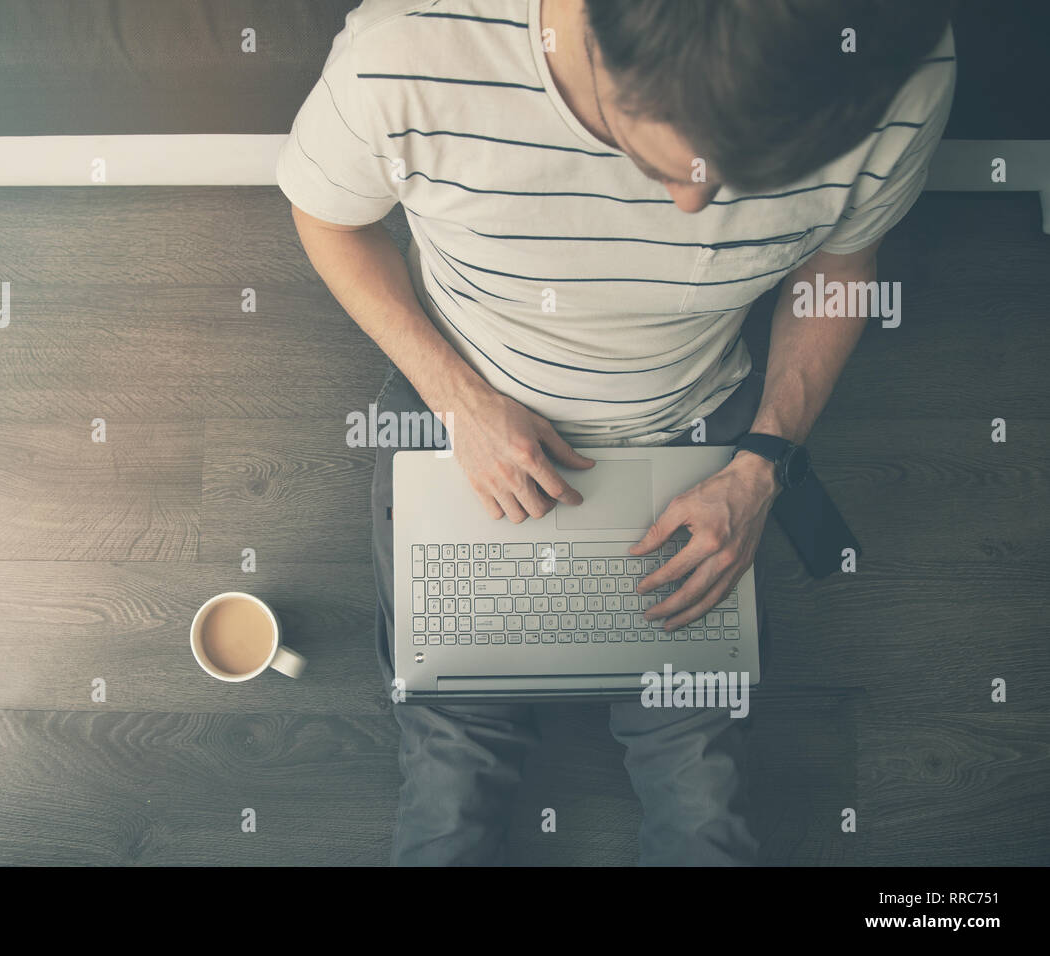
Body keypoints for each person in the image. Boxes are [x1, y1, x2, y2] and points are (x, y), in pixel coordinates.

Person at [276, 0, 955, 865]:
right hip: (463, 405)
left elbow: (843, 265)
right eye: (657, 159)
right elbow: (327, 216)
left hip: (700, 429)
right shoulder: (409, 47)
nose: (690, 207)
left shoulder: (894, 70)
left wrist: (762, 463)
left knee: (704, 792)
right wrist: (457, 401)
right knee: (451, 779)